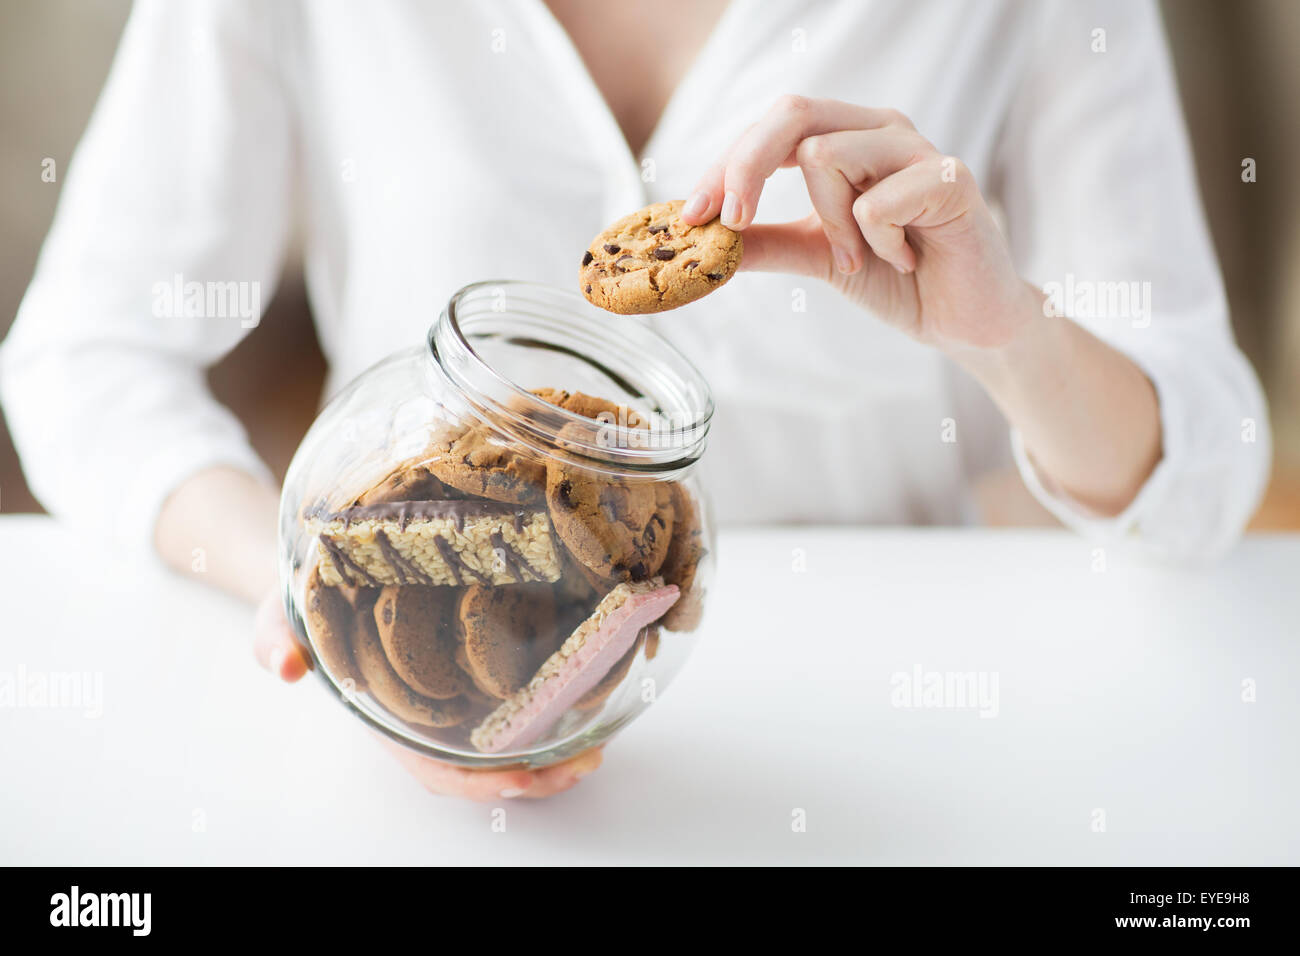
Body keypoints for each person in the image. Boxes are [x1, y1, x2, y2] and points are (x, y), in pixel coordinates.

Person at [0, 0, 1270, 799]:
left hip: (890, 753)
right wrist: (311, 591)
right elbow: (82, 354)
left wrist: (1008, 334)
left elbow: (1211, 471)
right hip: (406, 768)